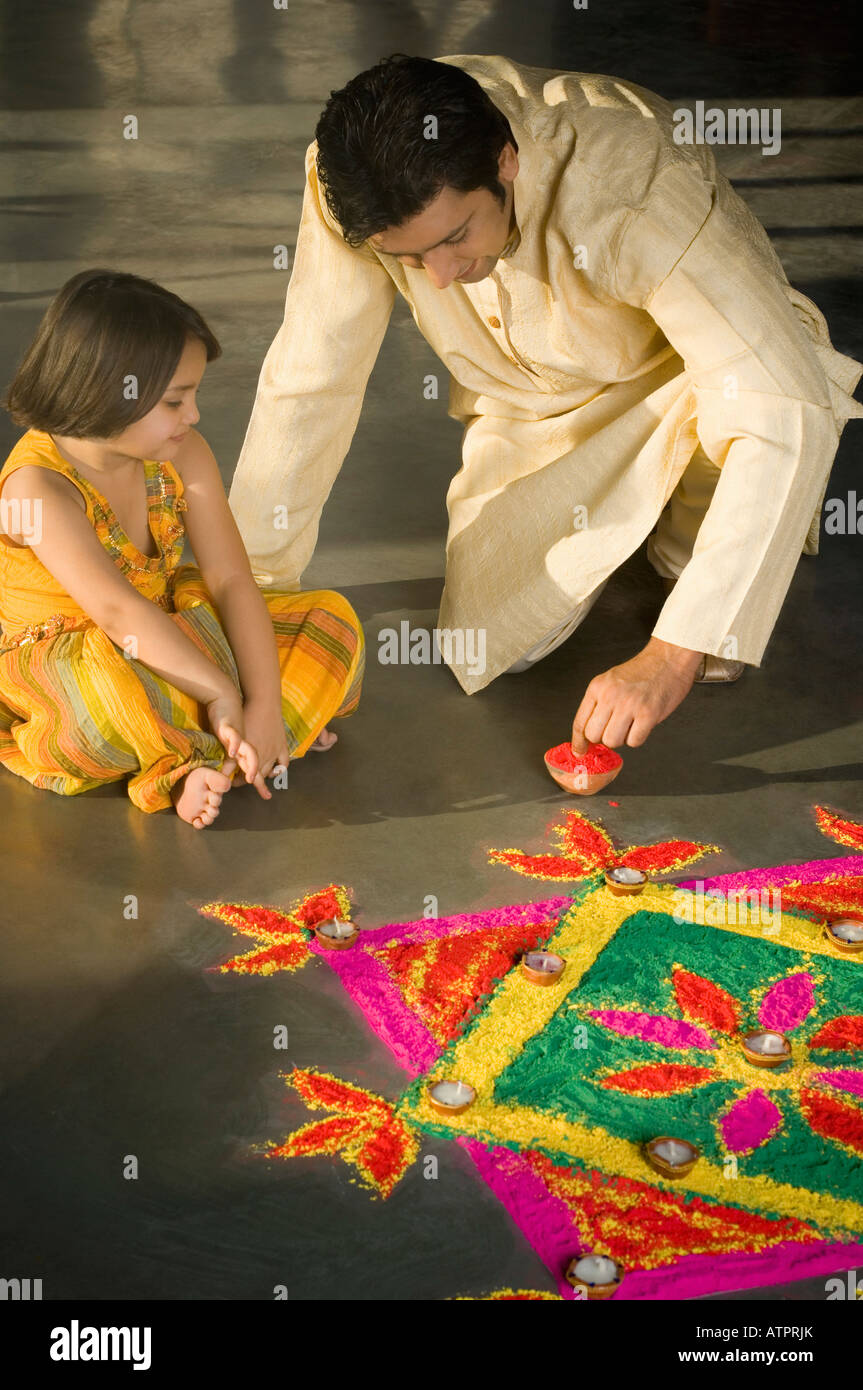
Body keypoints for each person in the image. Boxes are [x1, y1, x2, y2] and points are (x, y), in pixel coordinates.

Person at [228, 53, 863, 754]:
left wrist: (671, 654)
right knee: (496, 643)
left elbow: (777, 402)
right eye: (407, 260)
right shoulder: (348, 179)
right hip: (528, 406)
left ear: (504, 161)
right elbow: (314, 372)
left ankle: (685, 521)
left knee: (707, 609)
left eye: (453, 238)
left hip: (678, 376)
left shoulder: (632, 184)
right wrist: (251, 585)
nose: (437, 280)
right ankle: (643, 524)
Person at [0, 269, 365, 827]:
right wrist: (222, 689)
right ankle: (192, 760)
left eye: (192, 395)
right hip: (78, 664)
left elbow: (230, 581)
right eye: (175, 401)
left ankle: (250, 735)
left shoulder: (181, 451)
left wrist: (262, 704)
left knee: (328, 620)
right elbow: (119, 615)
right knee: (104, 696)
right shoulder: (37, 488)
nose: (192, 416)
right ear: (104, 393)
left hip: (170, 632)